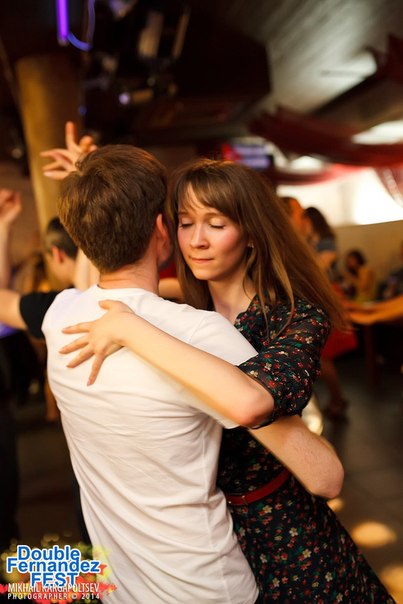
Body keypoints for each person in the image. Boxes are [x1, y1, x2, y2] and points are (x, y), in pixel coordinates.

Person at [61, 157, 394, 603]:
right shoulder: (182, 309)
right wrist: (90, 186)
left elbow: (320, 473)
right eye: (185, 223)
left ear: (251, 233)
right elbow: (106, 282)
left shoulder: (292, 316)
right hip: (200, 536)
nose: (197, 240)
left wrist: (130, 329)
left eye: (216, 224)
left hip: (281, 529)